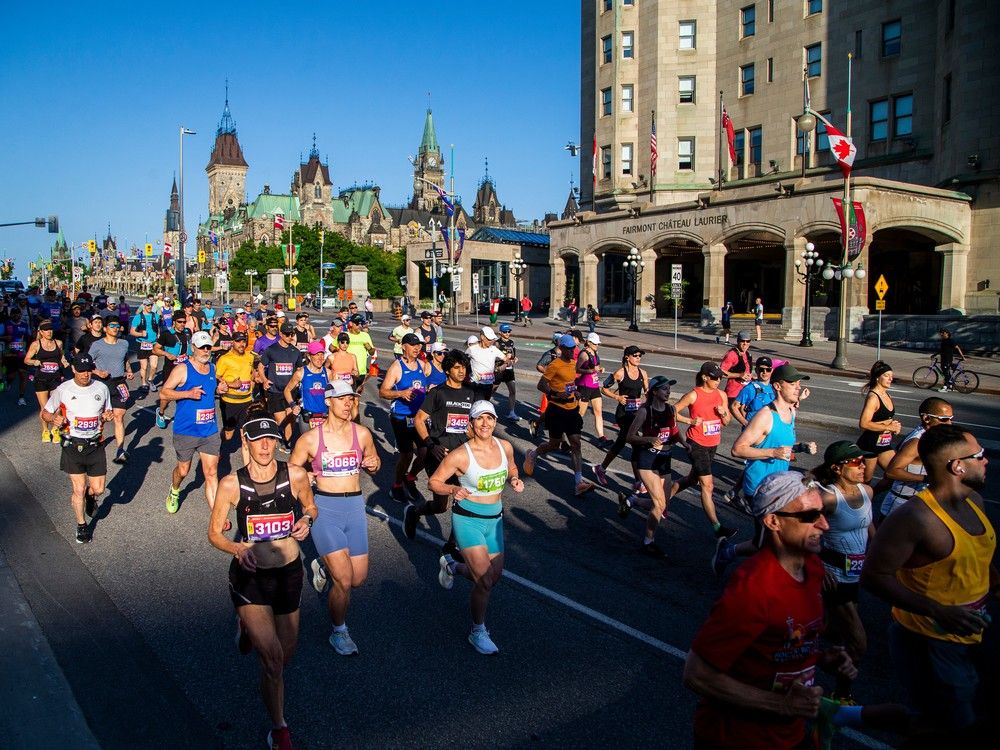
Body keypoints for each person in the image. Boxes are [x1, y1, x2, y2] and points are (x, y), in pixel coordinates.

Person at [684, 471, 858, 750]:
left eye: (823, 513)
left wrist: (821, 658)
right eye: (810, 516)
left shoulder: (813, 568)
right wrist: (782, 705)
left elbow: (783, 642)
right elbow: (697, 674)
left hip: (788, 735)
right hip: (735, 739)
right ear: (773, 521)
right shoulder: (754, 589)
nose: (824, 525)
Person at [862, 424, 995, 733]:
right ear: (957, 466)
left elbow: (977, 555)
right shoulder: (915, 518)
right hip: (929, 642)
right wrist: (938, 611)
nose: (986, 460)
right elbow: (874, 576)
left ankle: (841, 715)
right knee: (950, 726)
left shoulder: (975, 501)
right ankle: (837, 715)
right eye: (979, 455)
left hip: (972, 633)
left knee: (937, 721)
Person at [208, 415, 316, 750]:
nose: (266, 447)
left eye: (271, 440)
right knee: (271, 660)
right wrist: (237, 548)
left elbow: (310, 506)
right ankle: (279, 729)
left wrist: (307, 520)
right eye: (259, 440)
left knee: (284, 657)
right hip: (251, 578)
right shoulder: (231, 484)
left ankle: (248, 631)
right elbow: (214, 534)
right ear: (247, 442)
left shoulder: (295, 475)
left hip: (289, 573)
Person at [289, 380, 380, 655]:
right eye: (341, 399)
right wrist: (305, 475)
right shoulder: (310, 439)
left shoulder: (362, 434)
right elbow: (291, 473)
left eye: (351, 398)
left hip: (354, 507)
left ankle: (322, 564)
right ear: (328, 401)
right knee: (344, 580)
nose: (348, 403)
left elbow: (374, 463)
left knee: (358, 579)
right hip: (325, 509)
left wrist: (374, 465)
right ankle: (339, 631)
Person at [428, 400, 523, 655]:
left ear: (495, 421)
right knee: (484, 581)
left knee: (494, 577)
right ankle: (477, 631)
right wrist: (453, 489)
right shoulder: (461, 455)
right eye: (479, 418)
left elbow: (512, 466)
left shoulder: (504, 446)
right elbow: (434, 482)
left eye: (489, 418)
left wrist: (514, 478)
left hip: (495, 520)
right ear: (471, 423)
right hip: (468, 520)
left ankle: (452, 566)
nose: (485, 423)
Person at [811, 441, 875, 703]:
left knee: (833, 631)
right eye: (856, 462)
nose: (863, 467)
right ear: (837, 468)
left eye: (864, 461)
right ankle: (842, 696)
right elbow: (805, 532)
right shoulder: (827, 498)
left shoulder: (867, 491)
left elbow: (869, 527)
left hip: (855, 575)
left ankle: (794, 643)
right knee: (858, 642)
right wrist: (816, 565)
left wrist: (880, 556)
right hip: (833, 575)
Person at [41, 354, 114, 544]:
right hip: (72, 444)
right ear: (73, 369)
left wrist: (108, 416)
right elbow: (45, 413)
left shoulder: (101, 388)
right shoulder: (63, 389)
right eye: (81, 371)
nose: (85, 374)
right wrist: (54, 419)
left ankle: (91, 497)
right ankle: (81, 526)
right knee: (78, 489)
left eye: (88, 370)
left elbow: (107, 411)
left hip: (95, 444)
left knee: (98, 489)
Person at [406, 349, 474, 547]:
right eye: (457, 367)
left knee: (463, 501)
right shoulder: (438, 393)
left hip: (462, 456)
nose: (461, 371)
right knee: (440, 506)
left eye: (464, 367)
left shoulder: (470, 393)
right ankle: (414, 512)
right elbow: (419, 420)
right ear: (447, 370)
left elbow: (472, 424)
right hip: (439, 455)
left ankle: (451, 546)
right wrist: (431, 445)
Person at [160, 330, 228, 518]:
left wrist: (220, 389)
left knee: (211, 473)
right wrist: (187, 393)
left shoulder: (212, 368)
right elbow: (164, 393)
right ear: (193, 348)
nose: (206, 351)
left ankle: (217, 518)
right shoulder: (182, 369)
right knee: (183, 470)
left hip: (209, 431)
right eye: (202, 347)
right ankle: (175, 490)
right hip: (186, 430)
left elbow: (212, 389)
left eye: (208, 347)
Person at [616, 375, 684, 557]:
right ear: (654, 392)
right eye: (664, 388)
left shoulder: (670, 409)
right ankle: (648, 542)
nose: (668, 392)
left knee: (663, 504)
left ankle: (632, 500)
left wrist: (685, 444)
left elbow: (675, 431)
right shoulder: (645, 411)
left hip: (665, 459)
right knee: (659, 504)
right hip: (648, 460)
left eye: (669, 388)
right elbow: (630, 437)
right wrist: (648, 439)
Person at [523, 334, 595, 496]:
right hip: (557, 409)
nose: (571, 351)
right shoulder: (555, 365)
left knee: (576, 444)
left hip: (572, 410)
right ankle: (533, 454)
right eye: (568, 349)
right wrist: (555, 393)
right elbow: (541, 385)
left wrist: (575, 391)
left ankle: (578, 483)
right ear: (561, 348)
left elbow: (569, 383)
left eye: (573, 348)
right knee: (554, 445)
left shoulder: (573, 364)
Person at [671, 362, 736, 540]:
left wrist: (723, 413)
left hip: (713, 444)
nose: (718, 380)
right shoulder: (693, 395)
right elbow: (672, 411)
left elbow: (727, 422)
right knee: (707, 485)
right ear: (705, 377)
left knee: (691, 480)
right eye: (715, 377)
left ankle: (660, 502)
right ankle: (717, 527)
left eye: (720, 377)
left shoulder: (721, 395)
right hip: (696, 443)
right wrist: (689, 421)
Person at [379, 332, 431, 503]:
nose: (417, 348)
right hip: (401, 417)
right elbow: (383, 392)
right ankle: (396, 486)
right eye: (413, 345)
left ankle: (410, 477)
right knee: (407, 454)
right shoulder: (397, 367)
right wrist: (401, 393)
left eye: (419, 345)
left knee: (425, 452)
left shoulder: (422, 365)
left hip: (419, 417)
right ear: (403, 346)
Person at [882, 397, 954, 518]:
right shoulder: (916, 442)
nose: (949, 423)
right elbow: (891, 472)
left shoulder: (932, 436)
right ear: (926, 418)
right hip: (901, 505)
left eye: (951, 419)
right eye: (944, 419)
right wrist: (926, 479)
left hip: (919, 504)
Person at [593, 345, 649, 488]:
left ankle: (601, 468)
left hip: (635, 414)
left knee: (621, 443)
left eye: (640, 356)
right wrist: (617, 397)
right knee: (635, 444)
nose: (638, 358)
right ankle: (638, 482)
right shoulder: (620, 373)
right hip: (623, 414)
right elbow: (604, 388)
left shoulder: (643, 373)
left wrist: (649, 402)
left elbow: (647, 392)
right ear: (627, 357)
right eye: (635, 356)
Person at [88, 318, 134, 465]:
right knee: (100, 415)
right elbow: (87, 363)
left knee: (119, 416)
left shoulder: (124, 343)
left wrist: (129, 370)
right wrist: (98, 372)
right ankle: (96, 438)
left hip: (119, 382)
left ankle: (120, 449)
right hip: (102, 383)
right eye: (112, 325)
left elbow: (125, 359)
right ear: (105, 329)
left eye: (117, 325)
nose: (115, 328)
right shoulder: (97, 345)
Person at [257, 323, 305, 450]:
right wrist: (264, 380)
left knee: (290, 419)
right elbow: (261, 367)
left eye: (292, 334)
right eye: (287, 334)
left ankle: (288, 445)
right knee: (281, 420)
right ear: (281, 334)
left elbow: (299, 369)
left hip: (290, 391)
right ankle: (280, 433)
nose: (290, 337)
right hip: (275, 391)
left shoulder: (295, 351)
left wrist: (299, 382)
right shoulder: (271, 350)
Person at [856, 360, 903, 484]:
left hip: (884, 444)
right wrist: (889, 427)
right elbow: (864, 424)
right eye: (886, 376)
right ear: (877, 378)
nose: (890, 379)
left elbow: (886, 419)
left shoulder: (887, 395)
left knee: (895, 474)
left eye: (891, 376)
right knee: (865, 480)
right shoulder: (873, 397)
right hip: (870, 444)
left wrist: (895, 426)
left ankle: (875, 493)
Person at [23, 320, 69, 442]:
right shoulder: (36, 344)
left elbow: (61, 356)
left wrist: (65, 362)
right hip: (41, 379)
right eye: (46, 330)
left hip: (55, 378)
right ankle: (45, 431)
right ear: (41, 332)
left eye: (50, 329)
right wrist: (34, 361)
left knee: (57, 406)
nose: (49, 332)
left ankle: (55, 429)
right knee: (45, 408)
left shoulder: (58, 343)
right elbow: (26, 359)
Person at [215, 331, 255, 443]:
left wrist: (254, 380)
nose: (241, 344)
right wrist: (230, 384)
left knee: (246, 434)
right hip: (230, 401)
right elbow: (216, 376)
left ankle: (247, 453)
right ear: (232, 342)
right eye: (238, 341)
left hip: (246, 400)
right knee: (228, 435)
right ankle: (220, 446)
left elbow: (252, 373)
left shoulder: (250, 357)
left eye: (243, 341)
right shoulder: (225, 358)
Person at [152, 313, 191, 429]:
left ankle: (184, 418)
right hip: (170, 369)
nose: (182, 324)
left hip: (184, 369)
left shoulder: (187, 333)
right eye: (180, 322)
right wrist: (167, 354)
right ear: (174, 322)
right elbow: (155, 349)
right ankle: (161, 413)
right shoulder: (166, 334)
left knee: (186, 395)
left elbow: (190, 350)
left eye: (184, 322)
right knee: (167, 396)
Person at [284, 340, 332, 432]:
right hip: (307, 417)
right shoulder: (301, 373)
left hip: (325, 415)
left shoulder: (328, 373)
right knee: (307, 440)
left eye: (322, 354)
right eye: (317, 355)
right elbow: (287, 390)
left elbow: (333, 393)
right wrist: (293, 405)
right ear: (309, 356)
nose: (320, 358)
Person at [575, 332, 608, 446]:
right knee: (580, 413)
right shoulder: (584, 354)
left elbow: (596, 366)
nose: (597, 345)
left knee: (598, 412)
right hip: (584, 386)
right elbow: (577, 369)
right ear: (588, 342)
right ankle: (573, 433)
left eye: (597, 343)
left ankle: (601, 437)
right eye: (594, 343)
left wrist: (600, 369)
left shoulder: (595, 352)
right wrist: (589, 371)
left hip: (594, 386)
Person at [731, 356, 775, 428]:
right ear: (756, 370)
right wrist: (746, 423)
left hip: (769, 429)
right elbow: (734, 406)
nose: (765, 372)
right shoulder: (750, 388)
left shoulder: (774, 388)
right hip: (754, 430)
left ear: (772, 370)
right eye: (761, 369)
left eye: (768, 370)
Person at [466, 326, 507, 403]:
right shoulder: (472, 349)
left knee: (485, 404)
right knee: (478, 405)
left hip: (489, 385)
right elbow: (464, 362)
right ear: (482, 337)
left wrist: (505, 364)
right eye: (489, 339)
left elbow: (506, 359)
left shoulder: (494, 349)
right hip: (476, 384)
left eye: (493, 339)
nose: (491, 341)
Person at [130, 298, 159, 393]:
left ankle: (150, 380)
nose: (149, 307)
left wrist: (158, 335)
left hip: (153, 343)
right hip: (142, 343)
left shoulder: (156, 316)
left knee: (154, 366)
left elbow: (158, 327)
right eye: (147, 305)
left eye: (151, 305)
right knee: (144, 366)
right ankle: (143, 383)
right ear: (143, 306)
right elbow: (132, 332)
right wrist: (141, 334)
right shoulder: (138, 317)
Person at [494, 323, 519, 420]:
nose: (508, 333)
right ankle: (484, 406)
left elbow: (512, 354)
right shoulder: (497, 343)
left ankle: (512, 412)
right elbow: (493, 357)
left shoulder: (511, 342)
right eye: (505, 332)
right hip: (500, 369)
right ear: (500, 333)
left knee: (512, 391)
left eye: (509, 331)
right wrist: (504, 358)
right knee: (492, 390)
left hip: (509, 370)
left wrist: (514, 358)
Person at [720, 331, 753, 404]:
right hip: (733, 393)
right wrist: (739, 375)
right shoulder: (732, 354)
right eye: (742, 341)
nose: (745, 344)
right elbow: (721, 372)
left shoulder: (748, 354)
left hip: (745, 392)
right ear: (738, 341)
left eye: (747, 341)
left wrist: (752, 377)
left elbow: (747, 372)